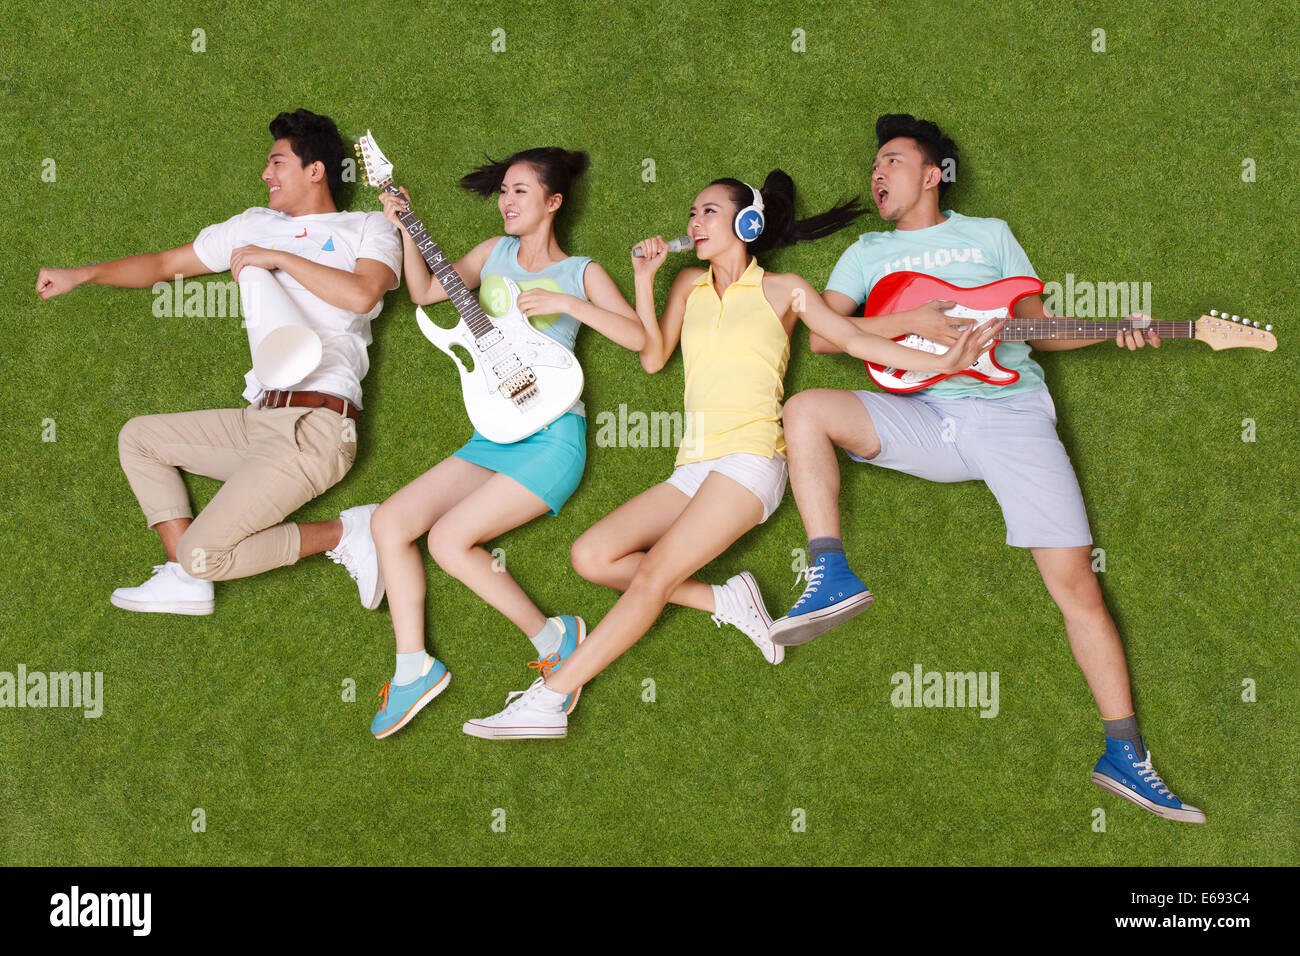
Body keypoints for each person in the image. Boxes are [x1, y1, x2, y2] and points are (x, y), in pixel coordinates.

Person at [770, 113, 1204, 823]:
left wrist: (1122, 328)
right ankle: (830, 570)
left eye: (893, 160)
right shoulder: (867, 251)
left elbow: (1042, 328)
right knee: (808, 408)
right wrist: (924, 329)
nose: (877, 174)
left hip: (1010, 417)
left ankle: (1123, 752)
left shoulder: (988, 235)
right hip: (920, 413)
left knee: (1075, 587)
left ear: (934, 173)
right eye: (873, 164)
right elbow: (824, 338)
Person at [461, 169, 998, 739]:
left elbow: (854, 340)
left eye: (708, 212)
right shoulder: (686, 285)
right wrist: (644, 279)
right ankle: (727, 598)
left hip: (751, 462)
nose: (694, 223)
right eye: (691, 214)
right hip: (692, 465)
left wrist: (942, 363)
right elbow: (651, 356)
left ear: (748, 222)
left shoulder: (784, 289)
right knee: (592, 557)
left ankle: (552, 697)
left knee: (652, 579)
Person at [35, 109, 402, 616]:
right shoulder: (254, 225)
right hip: (261, 419)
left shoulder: (365, 228)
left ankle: (348, 531)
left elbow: (362, 296)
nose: (265, 174)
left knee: (204, 553)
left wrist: (276, 259)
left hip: (317, 427)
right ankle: (187, 577)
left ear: (315, 170)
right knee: (139, 438)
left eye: (277, 162)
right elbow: (165, 265)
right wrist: (84, 274)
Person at [365, 148, 648, 739]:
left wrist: (568, 304)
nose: (506, 202)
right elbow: (423, 294)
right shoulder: (492, 255)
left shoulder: (581, 271)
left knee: (447, 540)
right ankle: (412, 667)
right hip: (492, 433)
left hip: (551, 436)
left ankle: (553, 637)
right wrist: (404, 227)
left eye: (520, 191)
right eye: (503, 192)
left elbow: (640, 339)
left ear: (553, 202)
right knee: (389, 522)